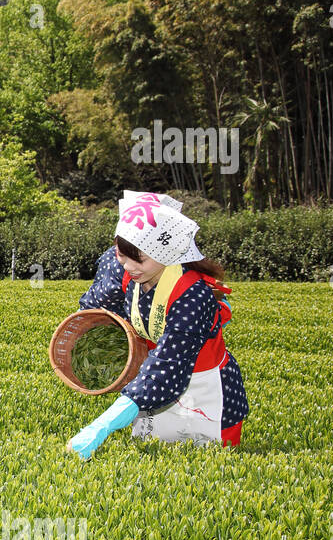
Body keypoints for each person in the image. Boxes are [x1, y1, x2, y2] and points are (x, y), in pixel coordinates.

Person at [69, 191, 248, 459]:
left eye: (138, 258)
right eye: (122, 254)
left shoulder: (192, 294)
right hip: (151, 380)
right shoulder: (122, 266)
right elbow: (96, 307)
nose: (128, 266)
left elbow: (167, 367)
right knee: (153, 458)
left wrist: (102, 425)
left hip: (203, 387)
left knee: (209, 465)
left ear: (165, 251)